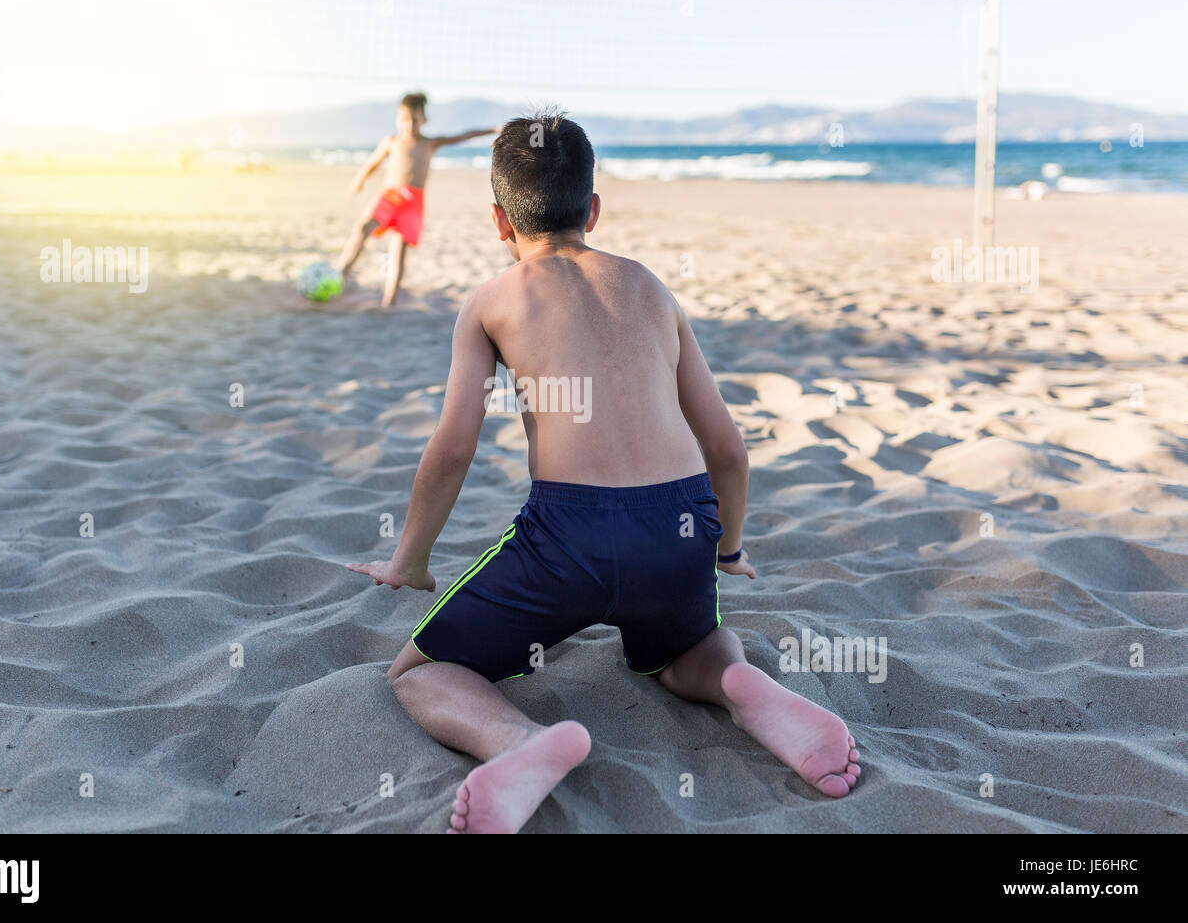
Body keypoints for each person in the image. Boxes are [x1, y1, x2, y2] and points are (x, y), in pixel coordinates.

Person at [348, 111, 861, 833]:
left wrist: (411, 560)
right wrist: (728, 548)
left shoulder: (493, 299)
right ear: (593, 209)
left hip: (570, 537)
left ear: (499, 220)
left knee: (419, 673)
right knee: (683, 652)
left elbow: (452, 447)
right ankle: (738, 680)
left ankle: (519, 744)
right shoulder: (650, 288)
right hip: (681, 524)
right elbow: (728, 449)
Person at [337, 92, 496, 306]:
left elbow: (463, 136)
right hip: (390, 195)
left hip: (413, 202)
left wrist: (493, 130)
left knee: (399, 250)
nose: (409, 124)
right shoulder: (391, 142)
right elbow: (372, 163)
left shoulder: (430, 143)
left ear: (424, 120)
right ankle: (340, 277)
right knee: (362, 229)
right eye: (404, 119)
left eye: (414, 120)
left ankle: (389, 300)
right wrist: (359, 180)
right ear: (397, 119)